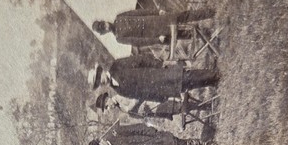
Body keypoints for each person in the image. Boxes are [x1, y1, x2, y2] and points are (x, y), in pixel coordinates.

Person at [88, 56, 220, 113]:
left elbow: (139, 60)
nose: (102, 81)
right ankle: (211, 82)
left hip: (157, 74)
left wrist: (158, 64)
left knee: (185, 77)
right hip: (157, 90)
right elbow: (141, 95)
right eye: (99, 83)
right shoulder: (118, 90)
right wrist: (159, 98)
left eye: (100, 77)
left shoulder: (117, 66)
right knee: (183, 86)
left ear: (102, 71)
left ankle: (214, 75)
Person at [92, 7, 214, 48]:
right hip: (156, 33)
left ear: (104, 21)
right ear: (104, 32)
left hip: (156, 19)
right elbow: (140, 42)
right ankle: (208, 34)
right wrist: (157, 40)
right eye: (103, 28)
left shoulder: (119, 17)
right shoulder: (119, 38)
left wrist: (156, 12)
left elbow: (139, 12)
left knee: (182, 16)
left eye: (104, 24)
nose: (106, 26)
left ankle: (209, 13)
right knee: (182, 34)